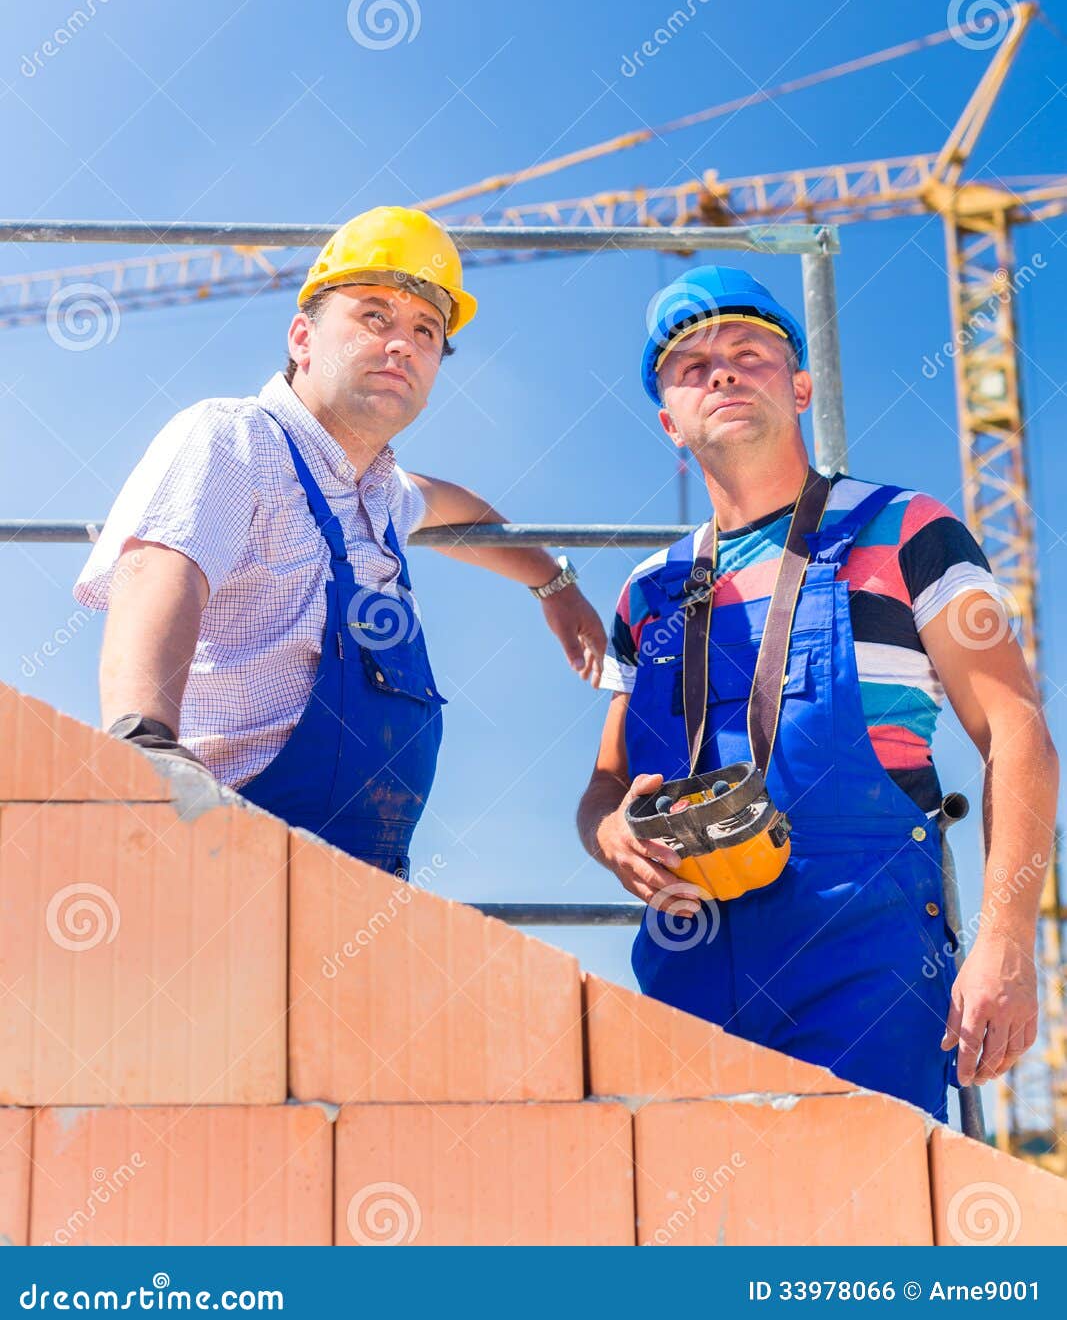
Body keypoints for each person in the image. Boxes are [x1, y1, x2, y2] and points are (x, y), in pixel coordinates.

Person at [577, 264, 1057, 1122]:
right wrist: (609, 833)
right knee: (692, 1228)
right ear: (667, 423)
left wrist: (1006, 943)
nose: (721, 370)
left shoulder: (907, 528)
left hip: (864, 962)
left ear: (800, 387)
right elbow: (604, 787)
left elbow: (1015, 731)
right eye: (691, 365)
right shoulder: (645, 594)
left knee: (865, 1228)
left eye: (748, 352)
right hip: (687, 959)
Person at [74, 204, 606, 877]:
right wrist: (143, 744)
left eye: (426, 330)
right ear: (302, 337)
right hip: (219, 850)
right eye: (373, 317)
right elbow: (158, 570)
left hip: (361, 885)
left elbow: (465, 512)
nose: (401, 344)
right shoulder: (234, 438)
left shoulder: (384, 496)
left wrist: (550, 583)